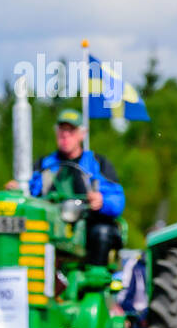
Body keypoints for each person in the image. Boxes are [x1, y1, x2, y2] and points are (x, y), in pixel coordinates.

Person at [7, 109, 125, 267]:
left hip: (85, 225)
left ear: (82, 134)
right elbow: (28, 191)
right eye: (62, 130)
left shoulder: (97, 163)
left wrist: (102, 201)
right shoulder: (43, 164)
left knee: (102, 232)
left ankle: (95, 277)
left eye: (71, 131)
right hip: (49, 225)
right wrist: (17, 189)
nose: (65, 135)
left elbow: (117, 199)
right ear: (56, 132)